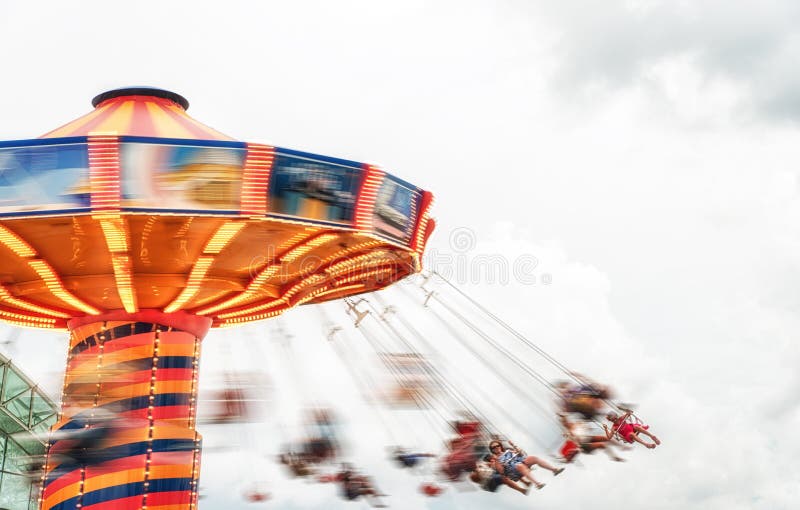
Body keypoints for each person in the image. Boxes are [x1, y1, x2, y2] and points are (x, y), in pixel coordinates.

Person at [489, 440, 564, 490]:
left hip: (520, 461)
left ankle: (554, 470)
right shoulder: (497, 460)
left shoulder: (508, 451)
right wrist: (502, 464)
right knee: (520, 466)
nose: (496, 448)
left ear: (500, 446)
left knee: (533, 458)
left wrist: (513, 445)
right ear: (492, 450)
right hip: (513, 470)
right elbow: (502, 472)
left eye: (497, 446)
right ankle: (537, 484)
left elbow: (520, 454)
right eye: (494, 447)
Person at [559, 414, 624, 462]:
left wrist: (586, 426)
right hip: (583, 446)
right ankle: (613, 457)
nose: (567, 423)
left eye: (566, 422)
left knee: (605, 438)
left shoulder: (574, 424)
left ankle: (621, 446)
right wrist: (568, 435)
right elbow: (569, 439)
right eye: (565, 423)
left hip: (587, 438)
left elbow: (584, 426)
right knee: (602, 445)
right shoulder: (568, 432)